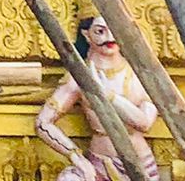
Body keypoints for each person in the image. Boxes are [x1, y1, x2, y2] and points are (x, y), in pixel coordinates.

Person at [36, 12, 159, 181]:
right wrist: (75, 156)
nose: (109, 37)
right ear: (86, 35)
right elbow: (43, 123)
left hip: (140, 167)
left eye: (113, 29)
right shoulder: (80, 76)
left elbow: (144, 122)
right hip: (99, 165)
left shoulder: (137, 73)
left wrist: (107, 95)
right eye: (100, 31)